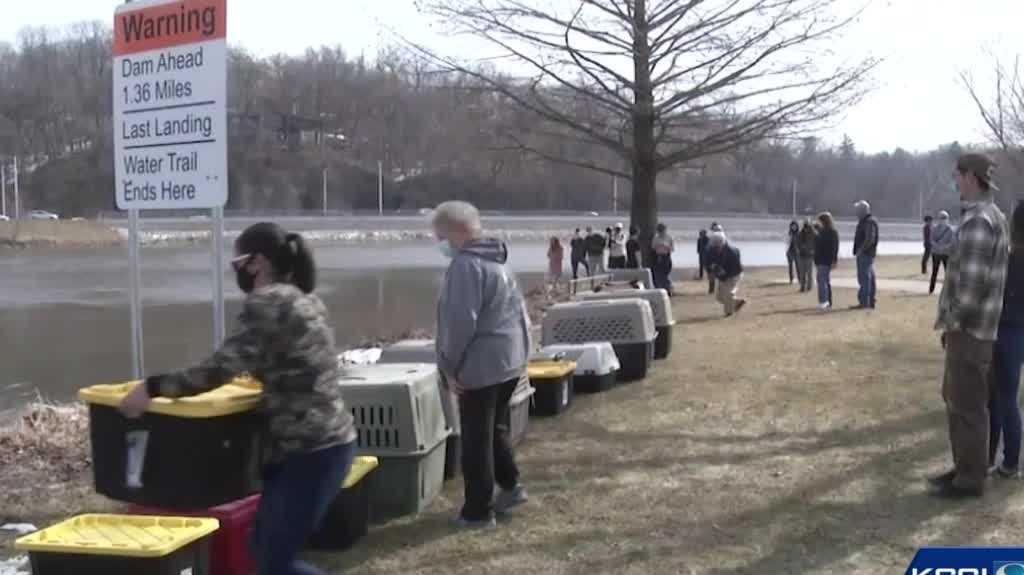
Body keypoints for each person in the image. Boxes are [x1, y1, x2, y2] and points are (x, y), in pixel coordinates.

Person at [119, 222, 356, 575]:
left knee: (272, 563)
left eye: (237, 263)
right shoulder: (305, 299)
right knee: (263, 548)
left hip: (310, 450)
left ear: (257, 262)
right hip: (327, 442)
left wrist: (151, 388)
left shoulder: (267, 302)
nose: (237, 272)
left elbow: (218, 370)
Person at [433, 201, 531, 526]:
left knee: (476, 439)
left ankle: (477, 511)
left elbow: (459, 323)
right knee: (495, 428)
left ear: (454, 232)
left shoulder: (466, 266)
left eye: (439, 235)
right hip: (509, 360)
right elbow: (520, 313)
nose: (438, 243)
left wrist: (449, 367)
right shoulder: (498, 262)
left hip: (481, 365)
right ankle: (511, 486)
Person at [930, 153, 1009, 499]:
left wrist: (953, 324)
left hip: (970, 331)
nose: (955, 182)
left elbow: (971, 288)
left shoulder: (979, 221)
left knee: (968, 405)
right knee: (958, 398)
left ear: (972, 178)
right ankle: (964, 467)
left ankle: (970, 479)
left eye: (957, 176)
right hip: (974, 330)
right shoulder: (992, 216)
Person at [989, 202, 1024, 479]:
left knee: (1005, 398)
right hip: (1012, 329)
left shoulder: (1008, 261)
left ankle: (1009, 460)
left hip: (1010, 330)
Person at [705, 230, 746, 316]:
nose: (716, 248)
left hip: (734, 275)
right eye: (714, 246)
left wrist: (722, 274)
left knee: (728, 294)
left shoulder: (732, 253)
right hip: (722, 275)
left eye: (718, 246)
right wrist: (710, 272)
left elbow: (734, 269)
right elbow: (707, 262)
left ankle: (728, 313)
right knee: (719, 298)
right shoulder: (710, 250)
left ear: (722, 243)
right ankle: (737, 303)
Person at [852, 200, 879, 309]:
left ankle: (865, 302)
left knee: (864, 278)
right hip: (867, 253)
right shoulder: (866, 221)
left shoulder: (869, 222)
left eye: (857, 211)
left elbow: (869, 239)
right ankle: (869, 301)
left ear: (862, 210)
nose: (856, 213)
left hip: (865, 254)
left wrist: (861, 250)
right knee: (868, 277)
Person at [814, 212, 840, 311]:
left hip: (824, 260)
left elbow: (835, 247)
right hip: (821, 259)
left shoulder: (831, 232)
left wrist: (834, 260)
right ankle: (828, 301)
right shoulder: (822, 232)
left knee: (822, 281)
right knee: (825, 280)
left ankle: (823, 301)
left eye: (819, 221)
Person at [930, 211, 956, 295]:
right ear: (939, 219)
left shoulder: (950, 230)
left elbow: (952, 242)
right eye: (941, 218)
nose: (943, 220)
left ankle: (949, 290)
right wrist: (937, 246)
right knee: (935, 271)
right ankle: (931, 289)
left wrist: (945, 247)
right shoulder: (934, 229)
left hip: (946, 254)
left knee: (947, 272)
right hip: (936, 253)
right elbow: (931, 240)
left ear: (948, 219)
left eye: (945, 218)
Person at [651, 223, 675, 295]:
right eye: (659, 231)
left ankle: (669, 289)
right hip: (658, 257)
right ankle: (662, 290)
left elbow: (672, 249)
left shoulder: (669, 238)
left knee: (665, 274)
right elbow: (653, 247)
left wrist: (665, 246)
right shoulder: (656, 238)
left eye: (662, 231)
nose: (661, 233)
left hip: (666, 257)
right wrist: (658, 246)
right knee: (659, 275)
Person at [796, 220, 817, 293]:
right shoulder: (800, 234)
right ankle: (802, 287)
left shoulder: (813, 234)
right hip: (802, 256)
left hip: (810, 256)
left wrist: (813, 250)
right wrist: (799, 249)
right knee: (802, 273)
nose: (806, 228)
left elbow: (817, 243)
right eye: (805, 226)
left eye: (807, 226)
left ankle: (809, 287)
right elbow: (797, 243)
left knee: (809, 273)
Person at [707, 222, 724, 295]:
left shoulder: (713, 235)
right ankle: (718, 289)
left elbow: (709, 246)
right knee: (719, 273)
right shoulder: (722, 235)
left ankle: (712, 290)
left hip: (714, 256)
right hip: (720, 256)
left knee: (712, 273)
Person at [786, 220, 800, 285]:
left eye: (795, 226)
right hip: (790, 252)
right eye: (792, 226)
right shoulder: (789, 233)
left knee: (798, 266)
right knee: (790, 266)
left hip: (797, 252)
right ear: (790, 226)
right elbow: (786, 242)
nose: (794, 227)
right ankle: (791, 279)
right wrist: (786, 251)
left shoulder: (799, 234)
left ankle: (800, 279)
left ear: (797, 226)